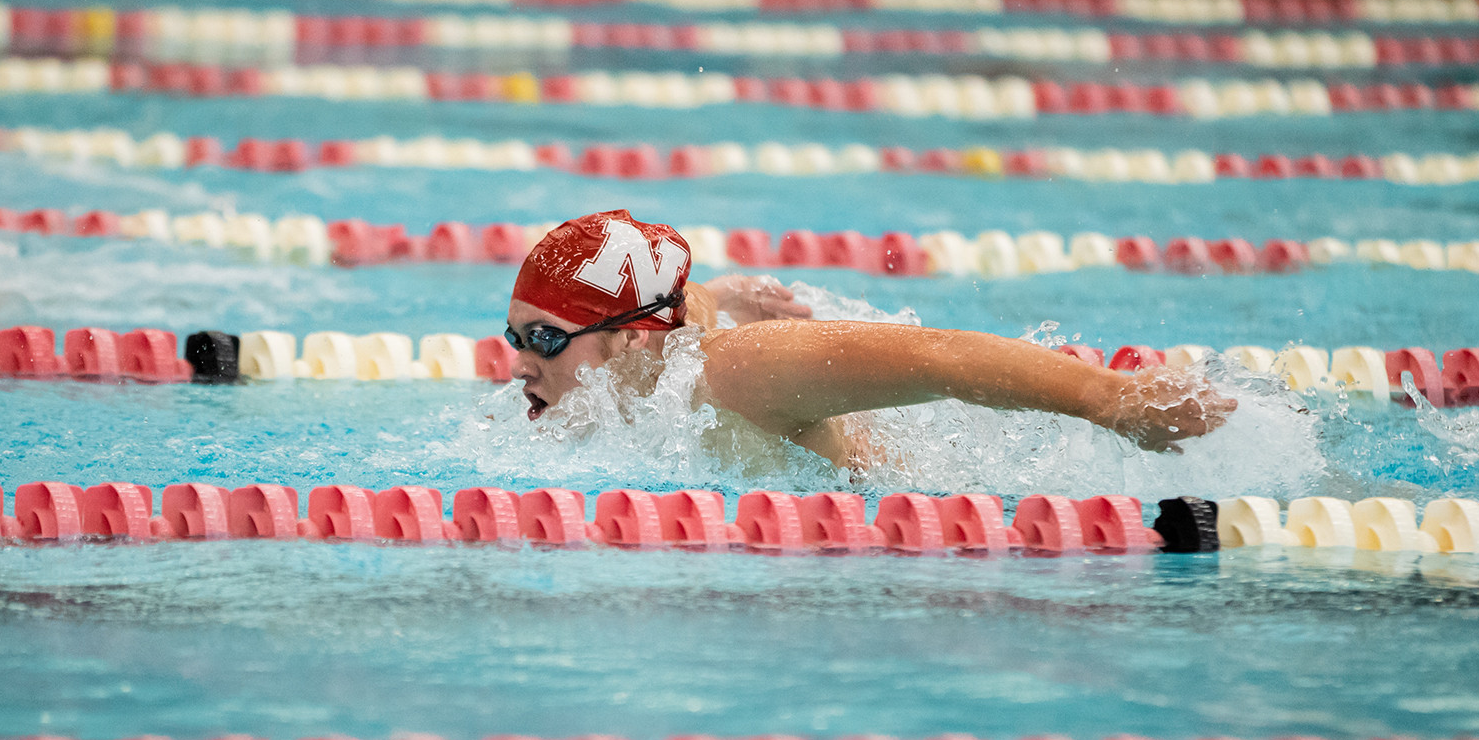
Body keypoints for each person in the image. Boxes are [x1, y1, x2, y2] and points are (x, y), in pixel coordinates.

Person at [505, 209, 1234, 469]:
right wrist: (720, 294)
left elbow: (942, 357)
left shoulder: (736, 371)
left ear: (630, 339)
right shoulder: (651, 345)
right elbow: (675, 302)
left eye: (543, 339)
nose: (519, 366)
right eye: (514, 338)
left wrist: (1112, 400)